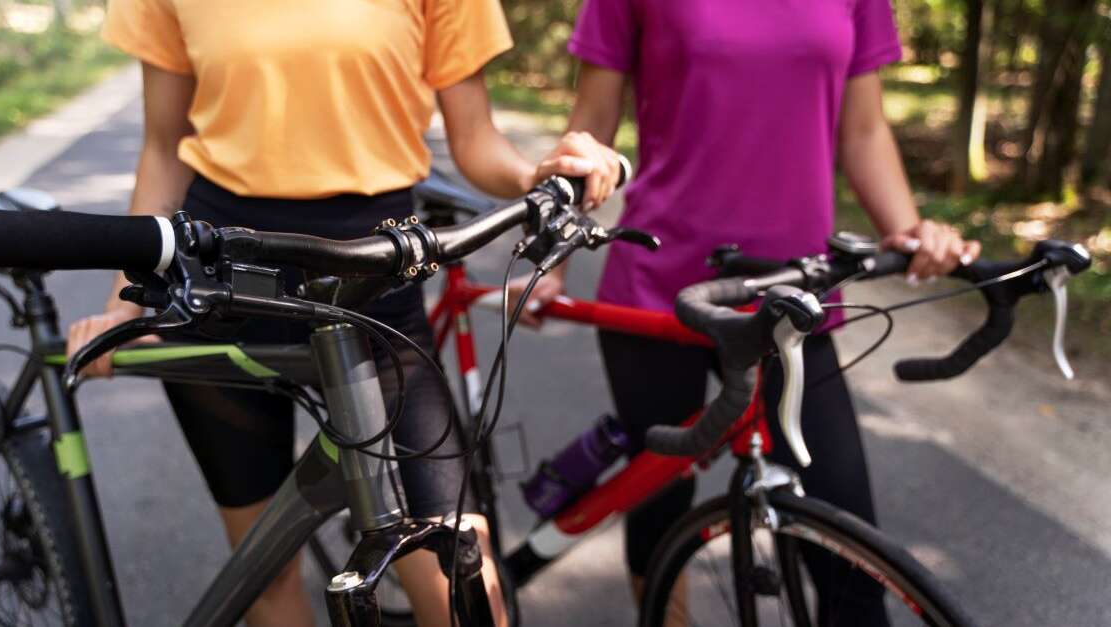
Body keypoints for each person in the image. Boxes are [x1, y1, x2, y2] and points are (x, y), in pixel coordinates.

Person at [66, 2, 622, 626]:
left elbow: (474, 139)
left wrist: (535, 174)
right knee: (267, 576)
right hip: (220, 282)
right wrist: (121, 303)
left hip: (375, 277)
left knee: (460, 583)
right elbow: (164, 148)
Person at [512, 0, 982, 623]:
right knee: (659, 510)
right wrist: (553, 258)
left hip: (797, 299)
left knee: (848, 549)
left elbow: (863, 129)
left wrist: (909, 234)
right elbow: (593, 123)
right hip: (660, 292)